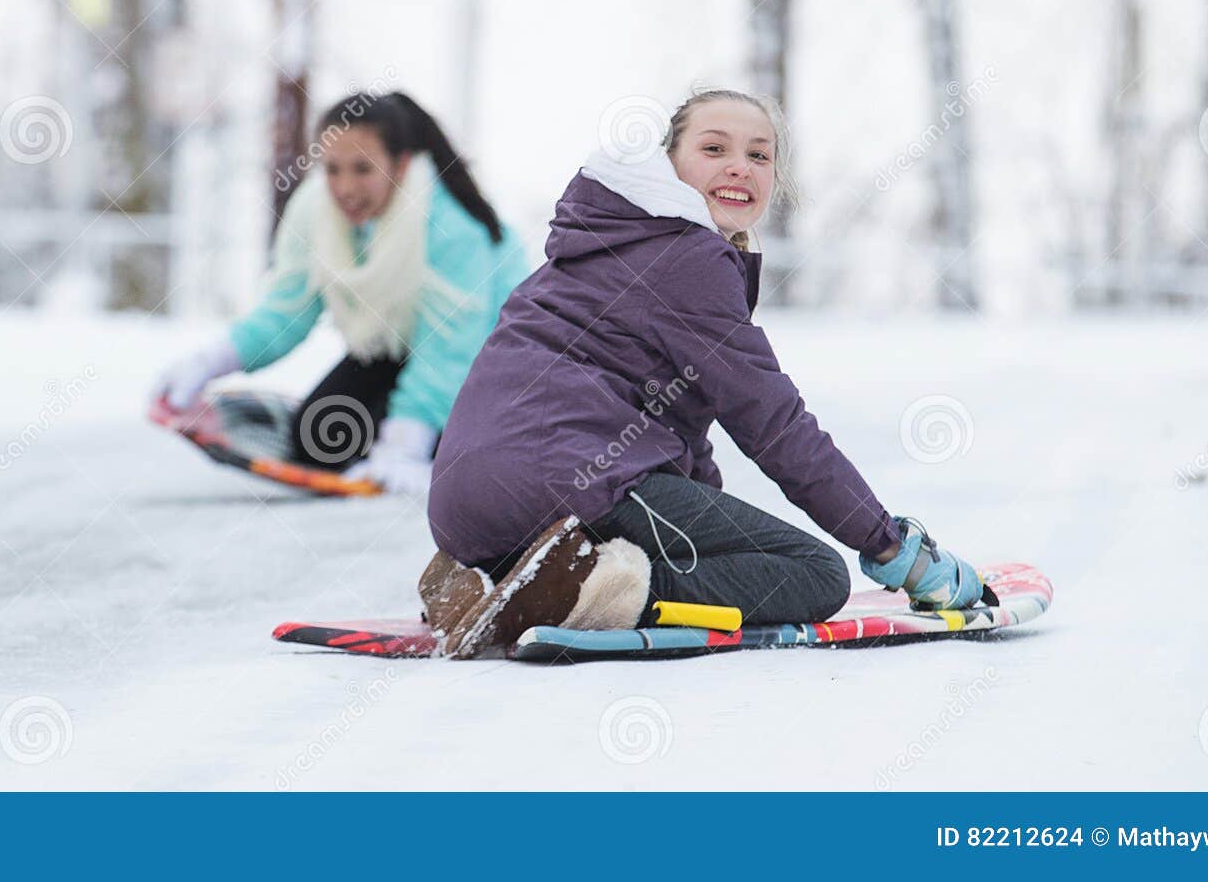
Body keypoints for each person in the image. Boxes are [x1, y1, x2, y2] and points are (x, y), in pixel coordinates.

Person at [420, 90, 989, 657]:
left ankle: (495, 579)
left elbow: (677, 424)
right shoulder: (687, 255)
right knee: (815, 572)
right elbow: (774, 423)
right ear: (667, 162)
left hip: (462, 505)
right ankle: (576, 594)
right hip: (567, 481)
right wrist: (890, 547)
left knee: (708, 537)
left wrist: (710, 528)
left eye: (760, 156)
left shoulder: (603, 238)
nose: (740, 166)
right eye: (714, 148)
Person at [155, 91, 527, 495]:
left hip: (490, 358)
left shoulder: (449, 225)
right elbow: (286, 312)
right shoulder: (315, 211)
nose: (345, 187)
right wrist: (210, 360)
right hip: (396, 346)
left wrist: (406, 442)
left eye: (363, 169)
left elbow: (451, 347)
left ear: (400, 165)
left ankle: (442, 446)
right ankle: (390, 437)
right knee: (317, 438)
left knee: (456, 452)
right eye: (332, 169)